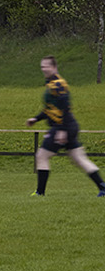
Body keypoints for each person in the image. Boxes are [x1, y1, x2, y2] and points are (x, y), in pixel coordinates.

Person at [27, 56, 105, 197]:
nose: (44, 69)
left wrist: (62, 130)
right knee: (79, 158)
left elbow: (64, 106)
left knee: (42, 156)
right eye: (42, 66)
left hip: (62, 127)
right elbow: (49, 109)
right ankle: (103, 187)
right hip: (69, 126)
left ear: (54, 67)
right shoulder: (51, 84)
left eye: (46, 66)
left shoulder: (58, 84)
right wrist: (36, 119)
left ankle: (40, 192)